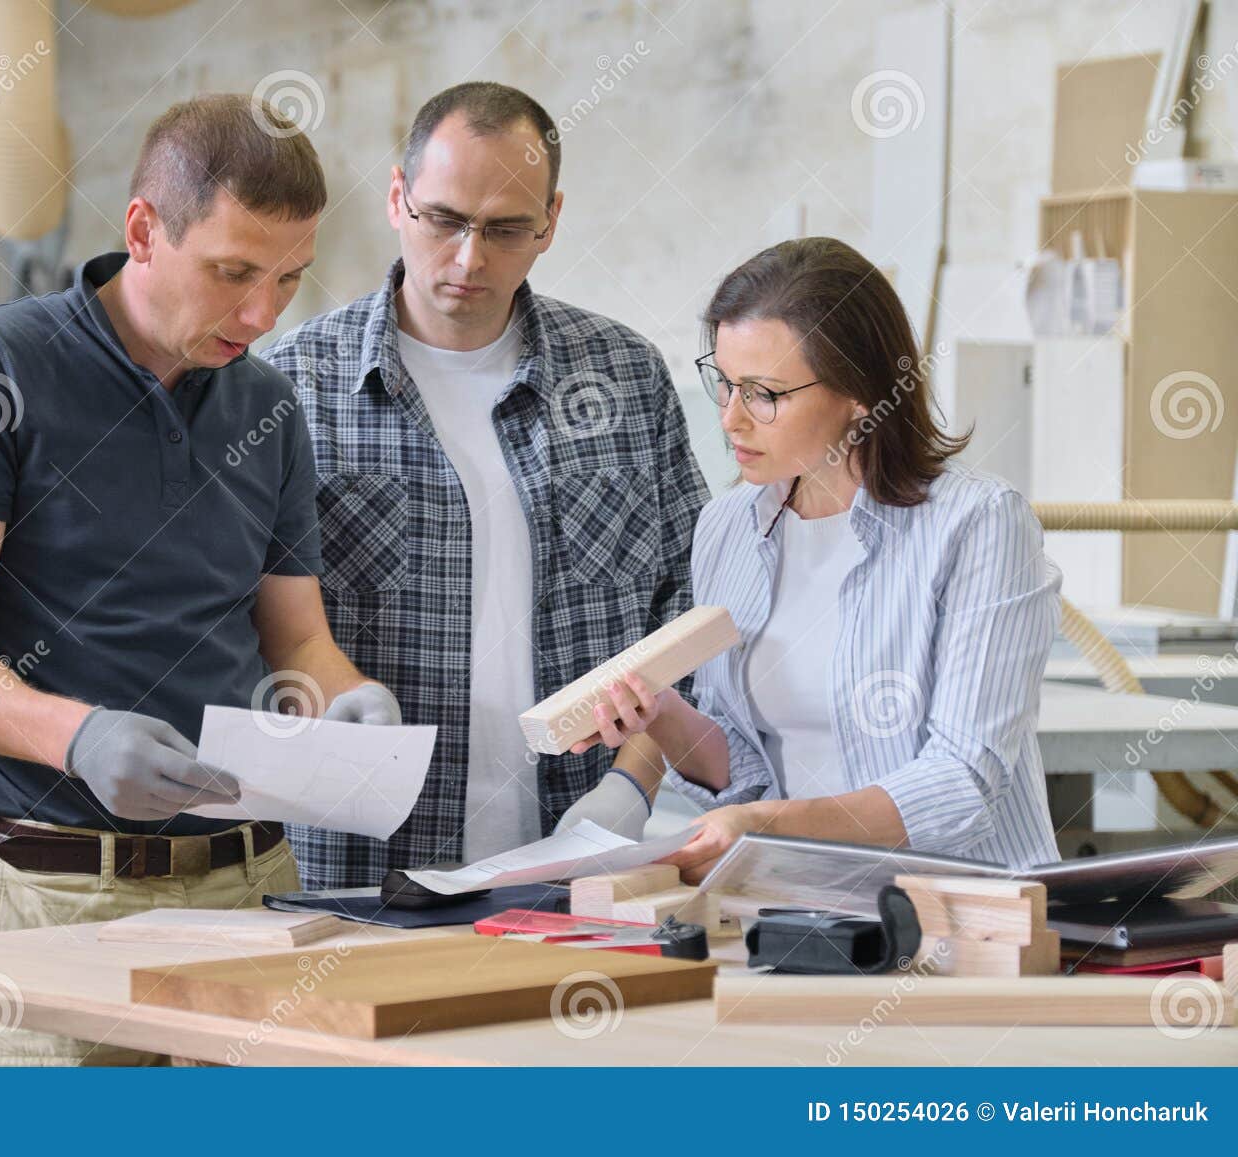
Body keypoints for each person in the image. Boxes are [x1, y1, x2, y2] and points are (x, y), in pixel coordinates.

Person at [0, 94, 397, 1065]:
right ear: (142, 231)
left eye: (288, 278)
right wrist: (76, 736)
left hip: (248, 889)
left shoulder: (267, 404)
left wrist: (350, 699)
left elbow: (294, 635)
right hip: (51, 886)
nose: (261, 313)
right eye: (232, 272)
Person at [261, 82, 709, 889]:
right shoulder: (290, 387)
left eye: (506, 229)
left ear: (551, 222)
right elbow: (246, 620)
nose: (470, 259)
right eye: (445, 220)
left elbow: (691, 613)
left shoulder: (625, 379)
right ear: (398, 200)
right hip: (357, 874)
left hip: (577, 863)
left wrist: (631, 783)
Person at [575, 236, 1062, 884]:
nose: (730, 419)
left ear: (860, 392)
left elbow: (962, 782)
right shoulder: (728, 529)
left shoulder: (976, 525)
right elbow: (744, 770)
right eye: (723, 382)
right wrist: (660, 714)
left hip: (965, 924)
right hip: (800, 916)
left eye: (764, 394)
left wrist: (768, 824)